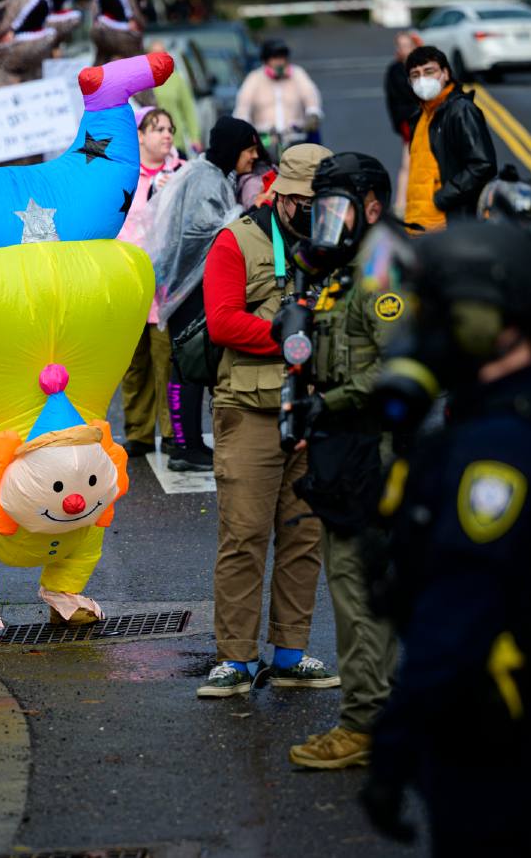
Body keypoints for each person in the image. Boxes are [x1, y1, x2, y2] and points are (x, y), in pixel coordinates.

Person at [358, 221, 531, 855]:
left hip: (498, 738)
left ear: (493, 318)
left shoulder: (499, 446)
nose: (425, 331)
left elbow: (458, 612)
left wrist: (392, 751)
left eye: (438, 313)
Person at [196, 142, 342, 698]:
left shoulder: (335, 242)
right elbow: (223, 323)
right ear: (277, 190)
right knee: (244, 536)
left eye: (319, 202)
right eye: (302, 200)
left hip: (314, 410)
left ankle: (289, 653)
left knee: (304, 536)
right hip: (250, 410)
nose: (311, 211)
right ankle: (234, 660)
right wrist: (295, 340)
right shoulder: (236, 240)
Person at [273, 152, 400, 767]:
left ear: (371, 207)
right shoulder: (343, 269)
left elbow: (397, 367)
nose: (323, 218)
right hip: (343, 448)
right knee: (365, 588)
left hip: (369, 450)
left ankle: (363, 725)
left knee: (355, 591)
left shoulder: (381, 266)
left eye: (336, 206)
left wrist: (332, 403)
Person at [145, 116, 261, 472]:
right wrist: (246, 216)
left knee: (186, 365)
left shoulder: (207, 172)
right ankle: (186, 447)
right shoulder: (205, 177)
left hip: (185, 286)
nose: (254, 156)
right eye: (250, 149)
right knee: (189, 365)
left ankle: (187, 445)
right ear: (233, 149)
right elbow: (201, 230)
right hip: (190, 288)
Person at [119, 107, 186, 457]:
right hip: (132, 284)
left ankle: (172, 429)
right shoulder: (126, 176)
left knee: (168, 361)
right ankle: (139, 432)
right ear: (140, 135)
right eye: (157, 128)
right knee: (135, 364)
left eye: (170, 128)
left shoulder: (181, 172)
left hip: (167, 288)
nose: (166, 135)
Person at [402, 46, 497, 234]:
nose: (422, 79)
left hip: (447, 226)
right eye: (415, 75)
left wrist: (443, 197)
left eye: (429, 71)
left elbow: (483, 164)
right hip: (418, 224)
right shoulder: (419, 117)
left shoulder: (461, 110)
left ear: (445, 74)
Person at [233, 38, 323, 156]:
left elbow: (311, 96)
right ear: (266, 60)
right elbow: (242, 108)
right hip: (265, 139)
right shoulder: (254, 78)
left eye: (282, 58)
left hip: (295, 138)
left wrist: (313, 114)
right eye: (275, 58)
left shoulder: (298, 74)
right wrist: (244, 126)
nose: (279, 62)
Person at [384, 32, 421, 215]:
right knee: (408, 162)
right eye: (401, 45)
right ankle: (401, 204)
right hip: (409, 121)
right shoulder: (396, 70)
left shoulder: (423, 67)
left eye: (408, 45)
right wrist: (400, 123)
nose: (404, 49)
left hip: (427, 120)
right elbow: (396, 100)